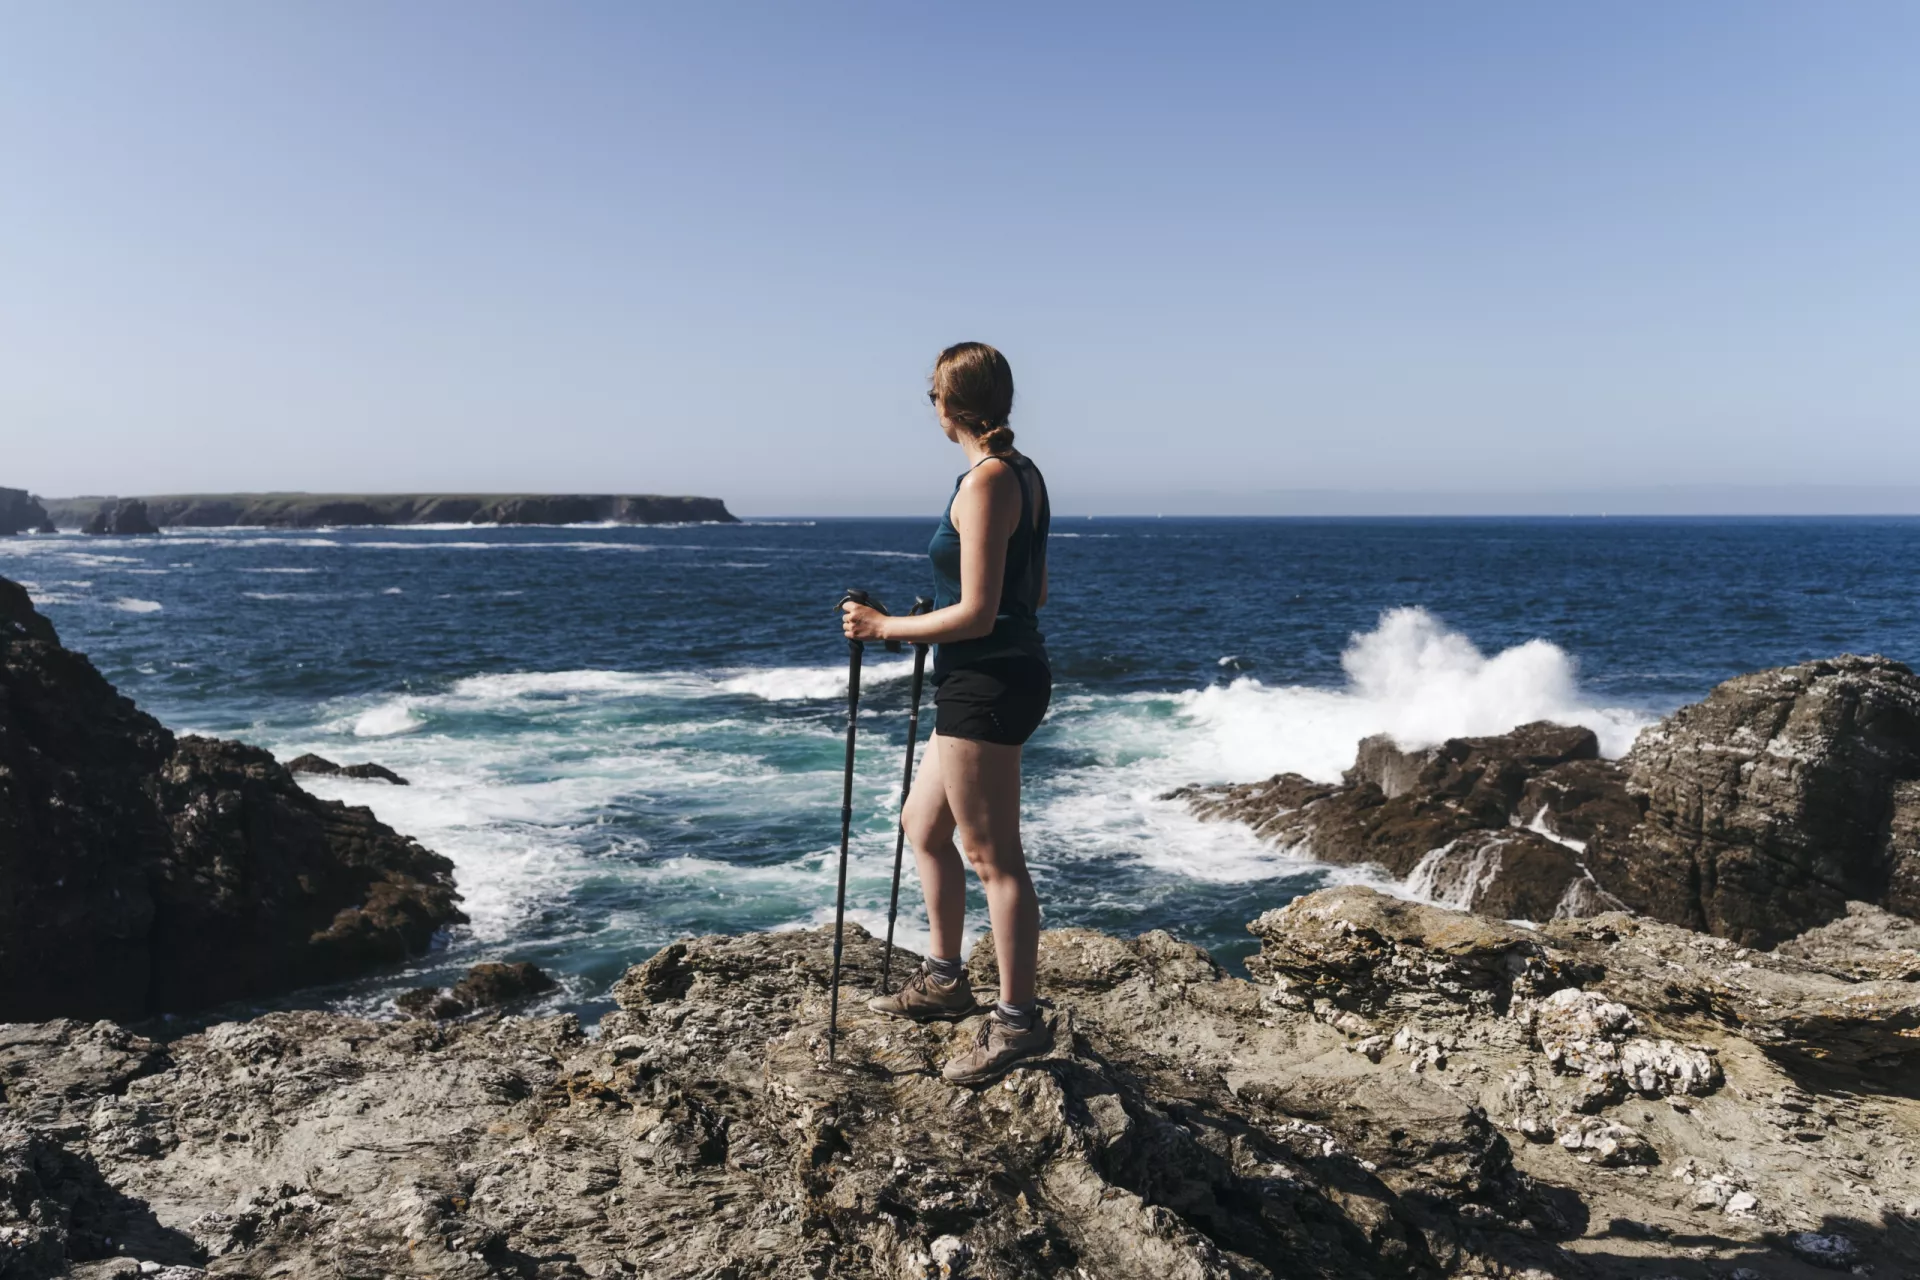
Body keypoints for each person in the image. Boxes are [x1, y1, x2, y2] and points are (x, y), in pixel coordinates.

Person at [840, 341, 1053, 1085]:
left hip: (987, 684)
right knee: (922, 827)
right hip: (993, 676)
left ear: (946, 404)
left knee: (996, 860)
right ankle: (945, 978)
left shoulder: (988, 481)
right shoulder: (1021, 474)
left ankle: (1018, 1022)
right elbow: (1035, 594)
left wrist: (883, 627)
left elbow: (979, 612)